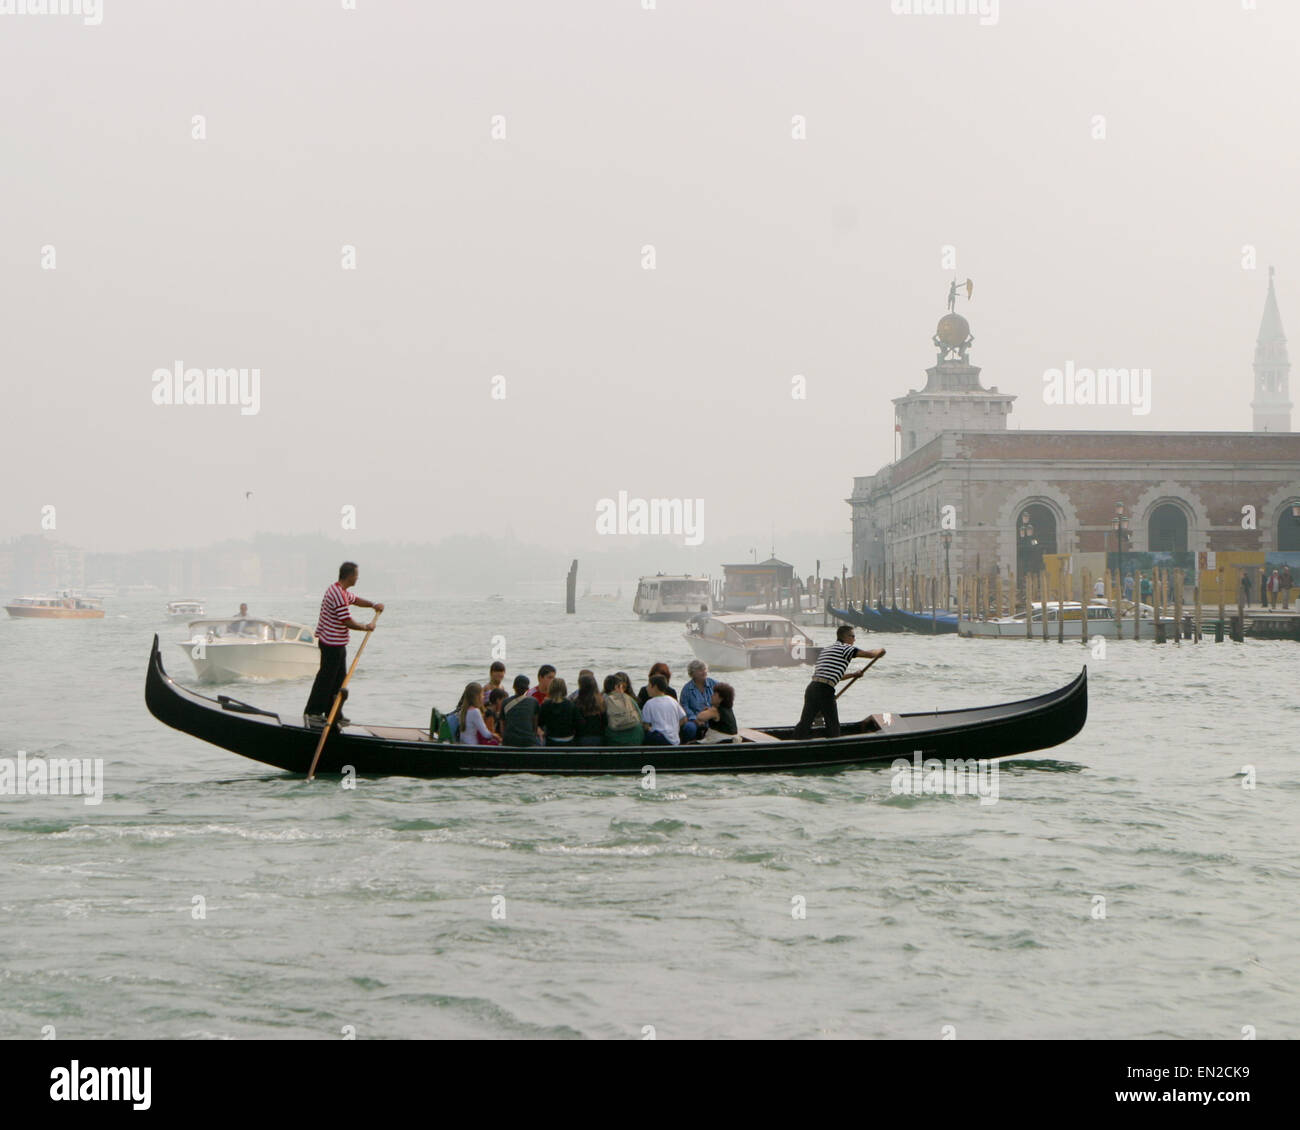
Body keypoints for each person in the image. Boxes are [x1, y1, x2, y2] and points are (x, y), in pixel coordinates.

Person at [303, 561, 384, 728]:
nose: (357, 578)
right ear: (349, 576)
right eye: (356, 575)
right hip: (331, 644)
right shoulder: (337, 593)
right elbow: (347, 621)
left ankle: (334, 714)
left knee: (339, 680)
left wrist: (373, 605)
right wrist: (366, 627)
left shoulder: (342, 591)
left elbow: (355, 600)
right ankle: (313, 713)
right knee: (326, 679)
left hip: (338, 643)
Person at [794, 625, 884, 739]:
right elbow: (870, 654)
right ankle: (833, 747)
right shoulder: (846, 648)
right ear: (845, 637)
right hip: (824, 690)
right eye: (852, 636)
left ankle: (794, 741)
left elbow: (834, 675)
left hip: (812, 688)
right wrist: (880, 651)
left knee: (805, 723)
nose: (854, 640)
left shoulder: (826, 650)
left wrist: (853, 675)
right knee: (833, 725)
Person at [641, 675, 687, 745]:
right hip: (675, 741)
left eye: (649, 686)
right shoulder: (673, 701)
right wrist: (674, 727)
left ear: (655, 687)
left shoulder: (649, 704)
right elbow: (684, 719)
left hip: (659, 740)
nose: (647, 688)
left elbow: (645, 725)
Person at [678, 659, 716, 742]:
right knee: (689, 728)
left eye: (705, 669)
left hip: (713, 718)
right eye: (700, 670)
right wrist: (695, 719)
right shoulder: (687, 689)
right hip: (694, 719)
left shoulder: (714, 684)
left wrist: (711, 713)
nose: (704, 672)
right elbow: (684, 706)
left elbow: (722, 700)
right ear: (692, 673)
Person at [601, 674, 644, 745]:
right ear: (616, 687)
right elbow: (640, 717)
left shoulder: (603, 701)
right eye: (621, 687)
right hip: (636, 739)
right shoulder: (629, 699)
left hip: (614, 741)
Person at [500, 675, 541, 746]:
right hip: (529, 741)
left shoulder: (505, 702)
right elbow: (535, 726)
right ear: (527, 689)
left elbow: (502, 727)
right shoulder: (534, 701)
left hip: (509, 741)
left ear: (513, 687)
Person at [538, 678, 579, 746]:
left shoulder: (546, 705)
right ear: (564, 689)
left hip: (551, 741)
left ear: (551, 689)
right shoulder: (571, 705)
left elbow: (540, 723)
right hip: (569, 741)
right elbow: (578, 723)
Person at [573, 673, 605, 745]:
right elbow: (605, 721)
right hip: (598, 737)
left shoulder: (577, 702)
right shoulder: (600, 701)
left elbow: (576, 723)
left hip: (581, 737)